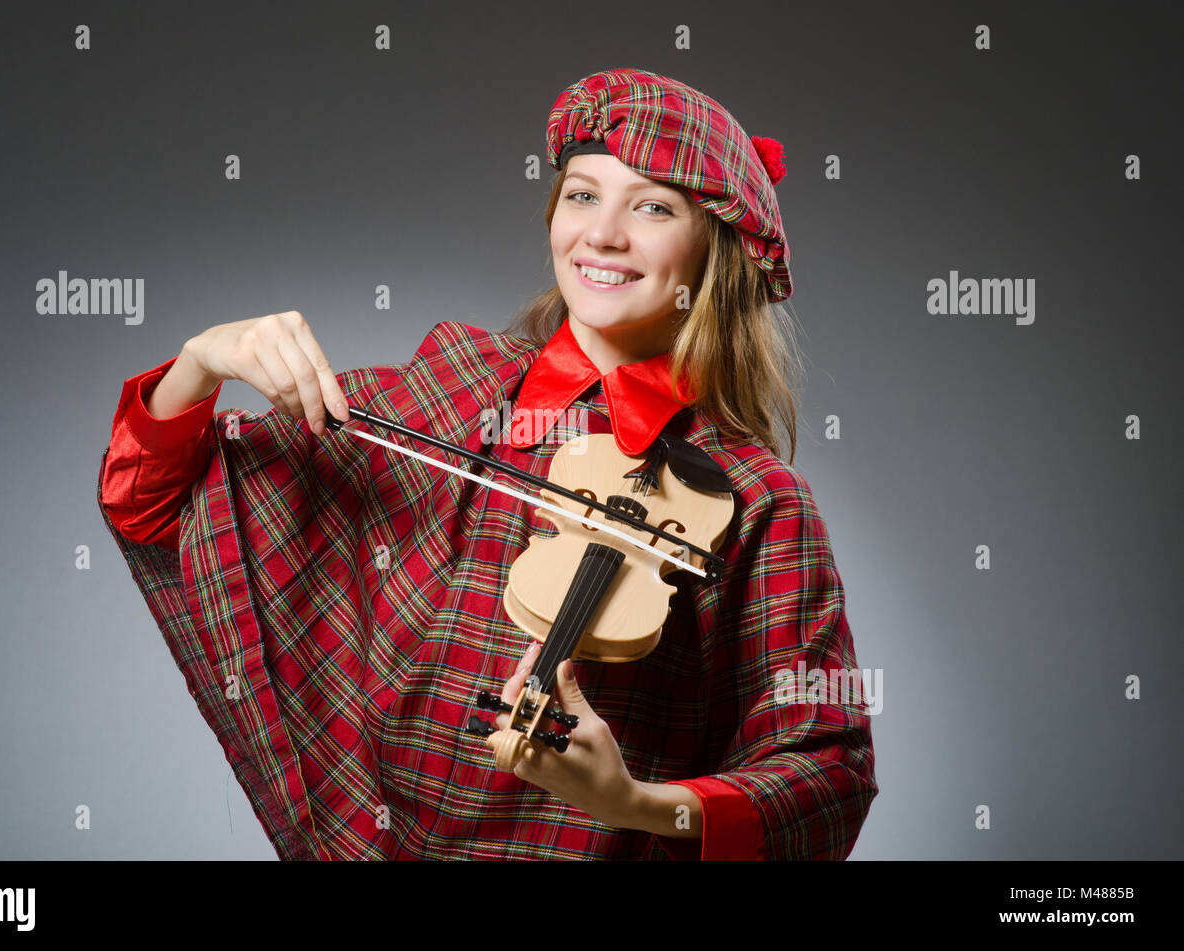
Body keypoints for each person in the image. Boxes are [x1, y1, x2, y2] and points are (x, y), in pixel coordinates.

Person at [96, 66, 877, 860]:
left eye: (651, 206)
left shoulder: (754, 499)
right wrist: (199, 364)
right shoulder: (442, 398)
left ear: (716, 248)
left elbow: (828, 778)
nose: (603, 234)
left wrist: (638, 804)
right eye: (581, 194)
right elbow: (153, 507)